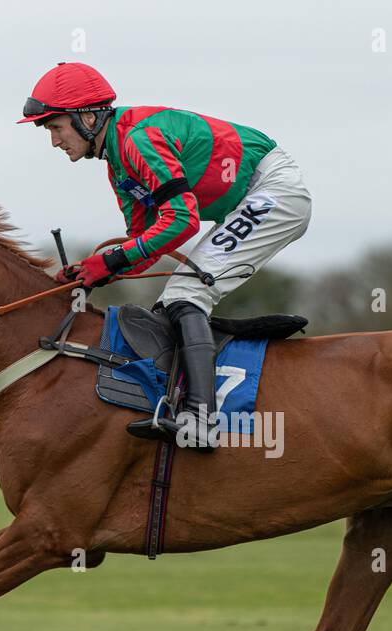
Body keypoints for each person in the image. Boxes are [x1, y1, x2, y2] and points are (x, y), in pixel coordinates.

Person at [19, 62, 312, 450]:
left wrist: (111, 261)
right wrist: (96, 273)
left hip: (274, 190)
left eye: (56, 127)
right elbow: (145, 243)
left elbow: (183, 222)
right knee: (170, 303)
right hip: (250, 197)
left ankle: (201, 420)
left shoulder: (137, 140)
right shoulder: (118, 164)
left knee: (185, 295)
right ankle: (186, 404)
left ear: (87, 116)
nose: (55, 141)